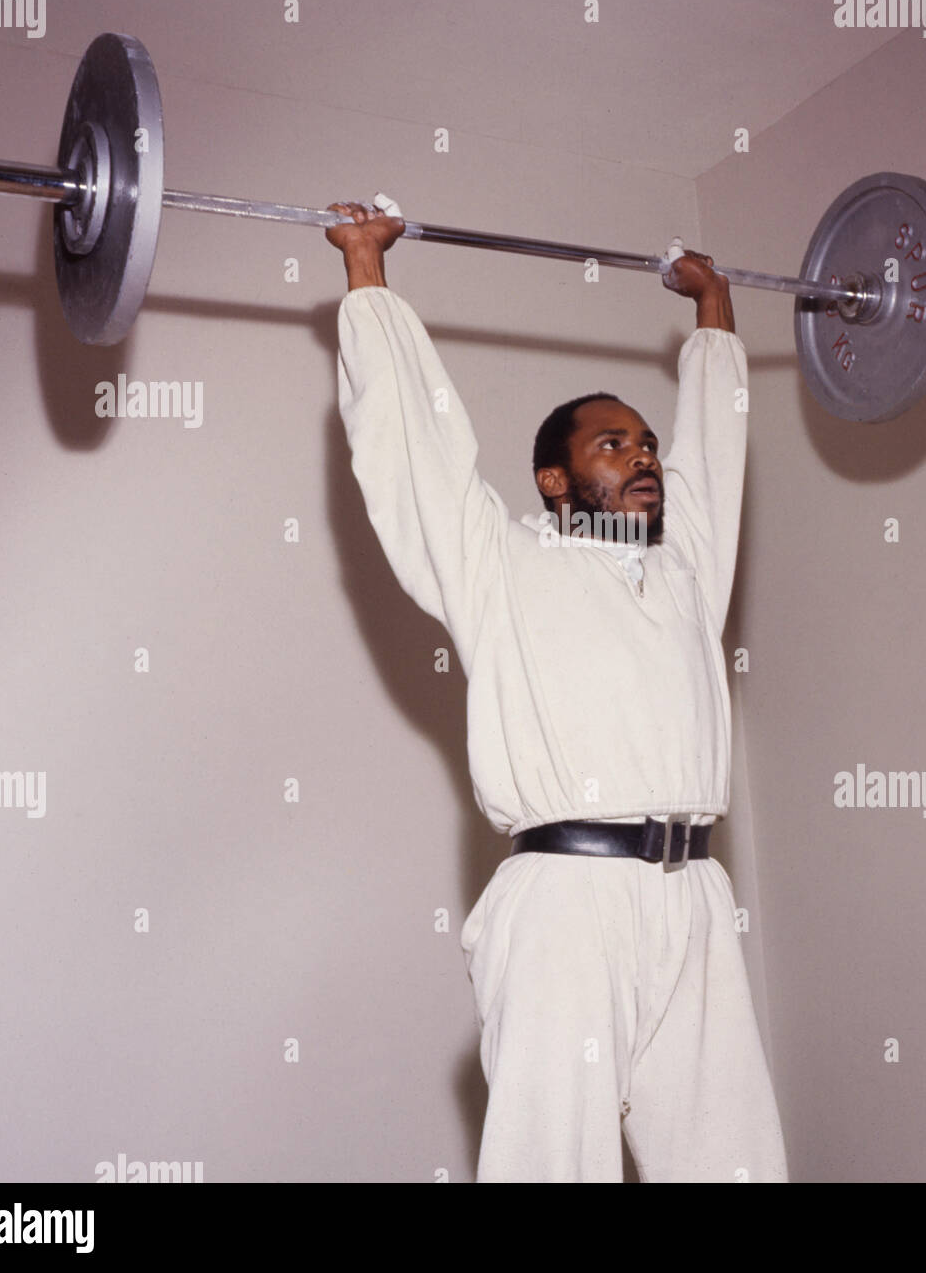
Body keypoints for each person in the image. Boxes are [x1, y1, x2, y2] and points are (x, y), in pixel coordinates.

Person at [326, 200, 788, 1183]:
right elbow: (411, 456)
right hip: (566, 899)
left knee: (730, 1159)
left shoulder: (683, 573)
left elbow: (716, 455)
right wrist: (367, 275)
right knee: (551, 1162)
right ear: (551, 476)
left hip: (696, 895)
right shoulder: (497, 561)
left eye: (646, 444)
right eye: (613, 446)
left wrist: (712, 313)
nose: (645, 458)